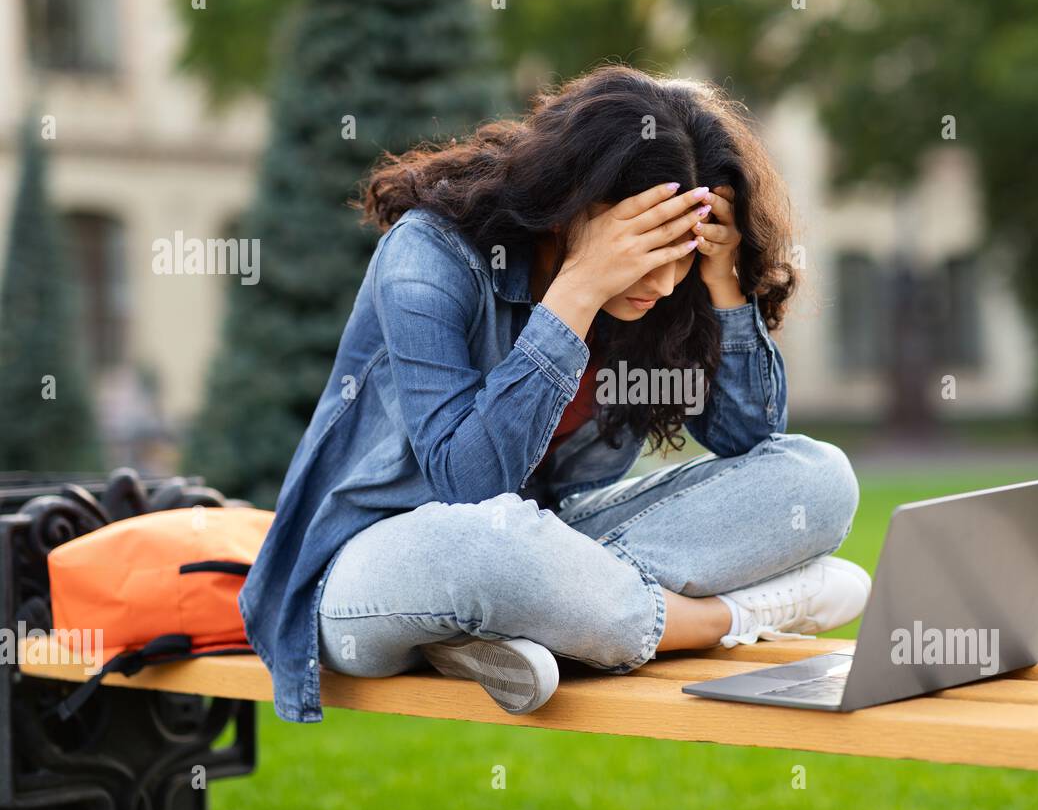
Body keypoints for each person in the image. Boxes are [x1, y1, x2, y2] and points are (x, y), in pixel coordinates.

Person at [237, 65, 870, 723]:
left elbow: (750, 443)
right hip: (376, 570)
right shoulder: (427, 258)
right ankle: (722, 617)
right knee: (489, 545)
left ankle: (534, 621)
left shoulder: (667, 290)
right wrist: (579, 290)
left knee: (820, 478)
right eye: (648, 247)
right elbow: (470, 487)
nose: (664, 278)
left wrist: (725, 281)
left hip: (544, 543)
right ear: (575, 200)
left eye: (684, 253)